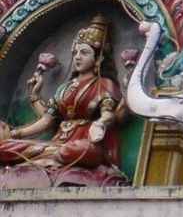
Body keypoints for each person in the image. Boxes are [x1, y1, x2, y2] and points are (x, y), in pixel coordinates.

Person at [0, 15, 122, 172]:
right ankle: (45, 158)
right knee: (4, 148)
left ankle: (43, 160)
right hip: (55, 144)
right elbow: (47, 121)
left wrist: (100, 123)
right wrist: (15, 134)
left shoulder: (104, 84)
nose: (77, 57)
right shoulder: (64, 88)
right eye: (76, 52)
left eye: (84, 52)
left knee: (75, 150)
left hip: (83, 145)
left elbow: (109, 114)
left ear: (99, 58)